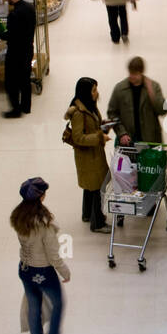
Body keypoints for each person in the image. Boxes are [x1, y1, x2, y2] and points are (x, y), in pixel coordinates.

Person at [10, 177, 71, 334]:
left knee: (34, 308)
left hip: (25, 269)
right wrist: (65, 272)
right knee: (58, 304)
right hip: (43, 271)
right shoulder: (44, 223)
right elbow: (53, 254)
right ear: (41, 197)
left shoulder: (18, 217)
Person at [64, 77, 111, 233]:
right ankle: (97, 223)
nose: (97, 93)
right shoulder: (78, 113)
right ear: (85, 92)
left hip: (93, 153)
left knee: (90, 186)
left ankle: (87, 215)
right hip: (88, 156)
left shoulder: (89, 106)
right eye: (93, 90)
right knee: (96, 187)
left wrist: (103, 125)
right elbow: (78, 138)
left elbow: (92, 126)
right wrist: (99, 137)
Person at [107, 56, 167, 146]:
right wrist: (122, 133)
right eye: (130, 73)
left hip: (150, 141)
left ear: (141, 72)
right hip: (128, 142)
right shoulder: (120, 89)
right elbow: (112, 113)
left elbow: (163, 110)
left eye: (135, 74)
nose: (132, 76)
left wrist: (152, 95)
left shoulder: (154, 87)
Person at [2, 0, 35, 119]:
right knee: (25, 79)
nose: (6, 0)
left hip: (15, 53)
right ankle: (26, 107)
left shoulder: (14, 14)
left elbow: (10, 35)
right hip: (28, 49)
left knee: (11, 82)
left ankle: (16, 109)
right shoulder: (30, 8)